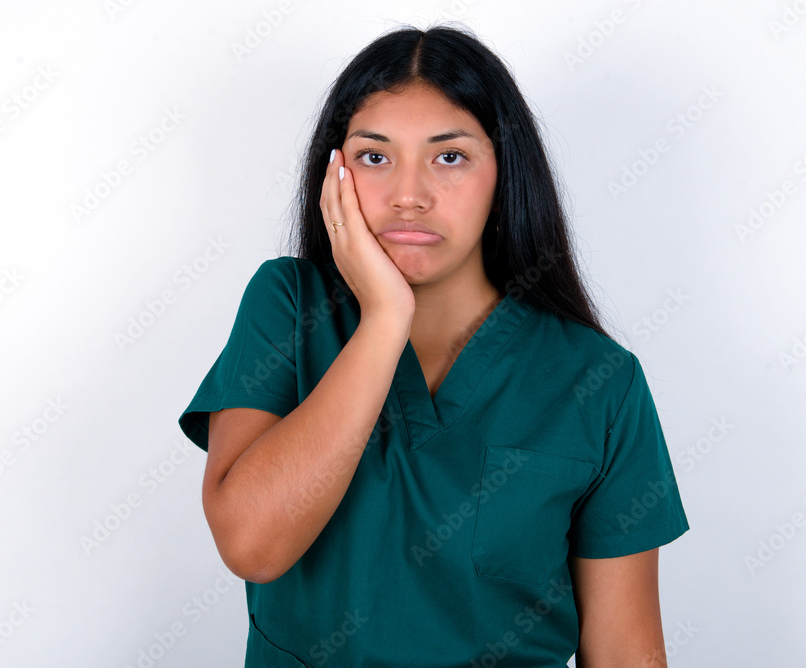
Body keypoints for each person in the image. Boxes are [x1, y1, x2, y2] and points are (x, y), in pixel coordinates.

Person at [179, 23, 688, 667]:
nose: (409, 196)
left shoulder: (598, 382)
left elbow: (623, 654)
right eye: (374, 156)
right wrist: (386, 318)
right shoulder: (290, 307)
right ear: (335, 175)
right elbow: (252, 544)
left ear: (503, 176)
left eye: (449, 157)